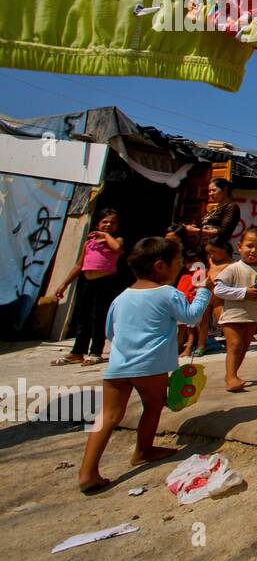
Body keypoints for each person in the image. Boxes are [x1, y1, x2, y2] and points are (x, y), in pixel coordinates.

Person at [78, 236, 210, 494]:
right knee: (153, 407)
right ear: (160, 266)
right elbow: (192, 317)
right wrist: (204, 290)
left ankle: (87, 472)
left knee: (108, 416)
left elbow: (110, 332)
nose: (180, 267)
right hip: (150, 366)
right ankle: (143, 450)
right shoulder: (167, 293)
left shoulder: (121, 297)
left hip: (118, 366)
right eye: (178, 262)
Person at [52, 209, 125, 366]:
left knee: (99, 317)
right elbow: (79, 265)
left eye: (112, 223)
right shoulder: (89, 243)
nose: (108, 225)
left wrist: (105, 236)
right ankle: (78, 351)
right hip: (88, 283)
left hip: (105, 283)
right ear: (98, 223)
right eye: (104, 222)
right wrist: (64, 284)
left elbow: (117, 248)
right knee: (83, 317)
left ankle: (95, 351)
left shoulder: (116, 240)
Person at [213, 227, 257, 391]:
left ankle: (232, 373)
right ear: (240, 246)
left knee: (243, 346)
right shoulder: (233, 268)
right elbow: (218, 290)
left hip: (254, 314)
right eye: (249, 246)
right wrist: (244, 292)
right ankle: (231, 378)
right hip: (233, 314)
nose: (253, 251)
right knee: (235, 345)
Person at [165, 224, 204, 356]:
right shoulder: (165, 252)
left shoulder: (192, 256)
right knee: (180, 324)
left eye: (174, 239)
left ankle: (188, 348)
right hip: (178, 290)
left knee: (190, 325)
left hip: (189, 292)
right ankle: (178, 347)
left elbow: (200, 276)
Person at [196, 238, 234, 356]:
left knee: (222, 321)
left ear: (224, 249)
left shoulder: (231, 264)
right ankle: (201, 345)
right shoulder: (211, 261)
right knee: (203, 321)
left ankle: (231, 344)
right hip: (207, 294)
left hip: (219, 297)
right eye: (209, 252)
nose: (211, 255)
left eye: (214, 251)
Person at [187, 177, 240, 253]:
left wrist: (197, 231)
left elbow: (223, 231)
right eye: (209, 191)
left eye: (214, 190)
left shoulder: (231, 207)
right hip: (204, 248)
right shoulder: (214, 208)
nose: (210, 193)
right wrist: (193, 229)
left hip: (217, 250)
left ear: (225, 189)